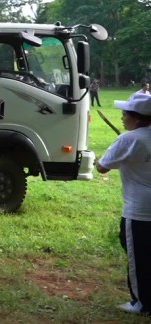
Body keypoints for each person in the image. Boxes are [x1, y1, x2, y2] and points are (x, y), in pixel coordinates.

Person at [95, 92, 151, 315]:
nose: (121, 118)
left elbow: (102, 167)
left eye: (125, 114)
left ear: (137, 118)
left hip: (139, 211)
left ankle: (142, 303)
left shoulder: (129, 139)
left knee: (138, 256)